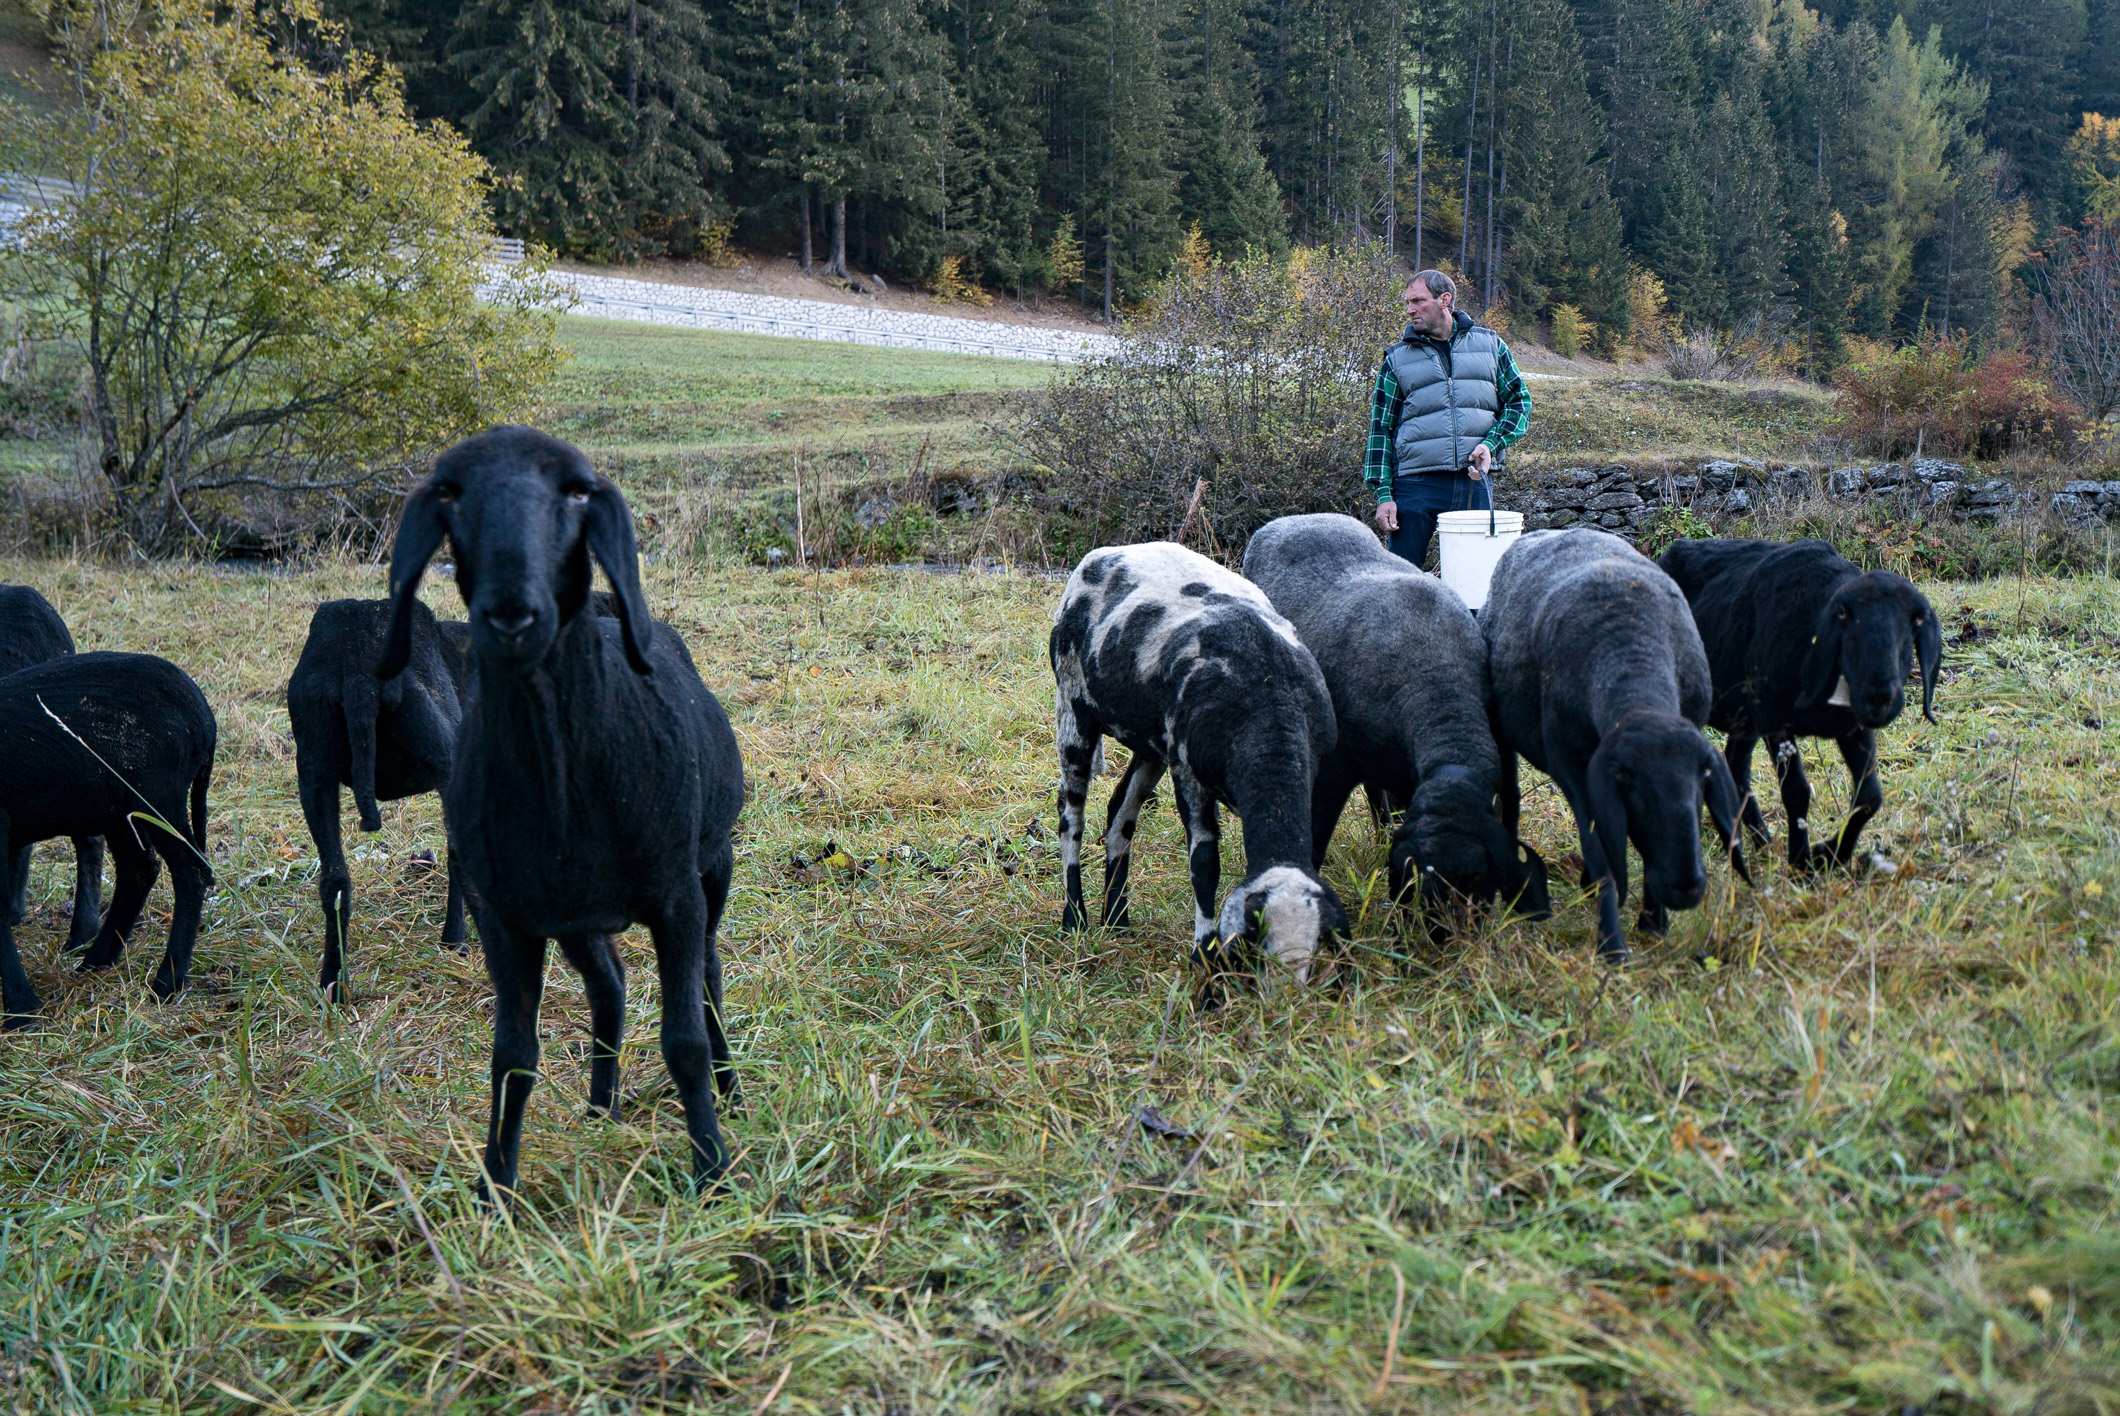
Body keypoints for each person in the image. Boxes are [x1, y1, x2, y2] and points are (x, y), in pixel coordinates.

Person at [1363, 270, 1532, 568]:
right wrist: (1384, 493)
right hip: (1414, 486)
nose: (1410, 309)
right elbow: (1380, 430)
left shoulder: (1491, 346)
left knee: (1478, 583)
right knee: (1403, 584)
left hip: (1474, 483)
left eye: (1418, 301)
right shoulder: (1396, 359)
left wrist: (1491, 444)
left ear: (1445, 300)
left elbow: (1520, 404)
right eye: (1407, 303)